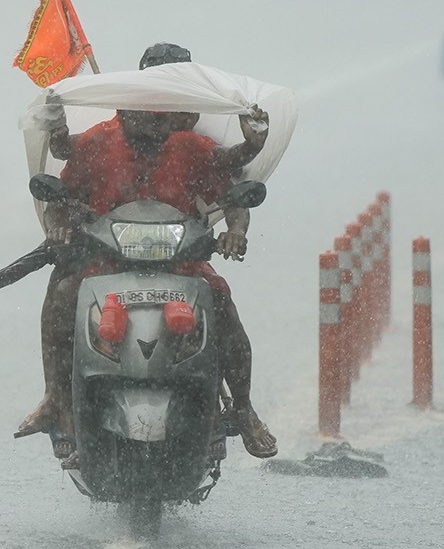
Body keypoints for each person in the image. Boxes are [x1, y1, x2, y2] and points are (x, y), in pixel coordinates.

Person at [15, 42, 278, 463]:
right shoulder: (97, 143)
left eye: (168, 106)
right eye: (145, 107)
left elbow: (233, 188)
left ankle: (243, 409)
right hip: (103, 263)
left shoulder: (192, 147)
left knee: (222, 300)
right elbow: (60, 190)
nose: (154, 119)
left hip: (182, 265)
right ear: (128, 103)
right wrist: (59, 225)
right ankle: (58, 403)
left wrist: (236, 229)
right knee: (64, 296)